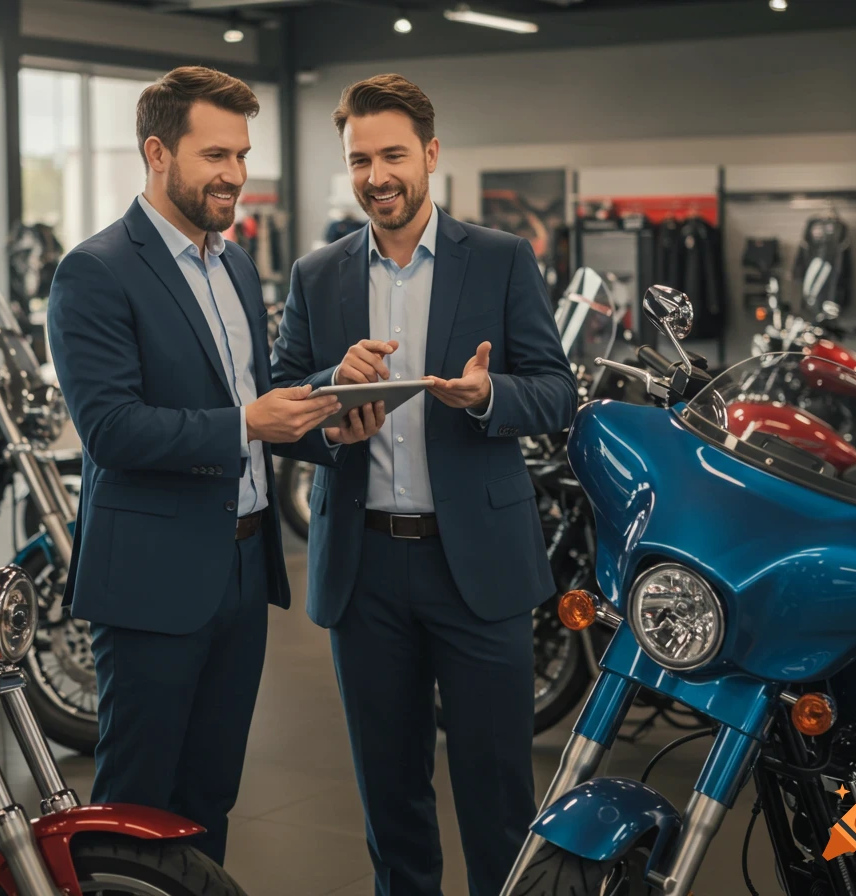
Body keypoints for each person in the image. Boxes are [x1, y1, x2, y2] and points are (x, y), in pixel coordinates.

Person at [270, 74, 577, 896]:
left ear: (432, 155)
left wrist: (488, 399)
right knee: (390, 802)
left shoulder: (504, 260)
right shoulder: (316, 273)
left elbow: (556, 389)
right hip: (364, 571)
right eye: (361, 158)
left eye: (394, 154)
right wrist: (334, 402)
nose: (378, 175)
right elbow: (283, 403)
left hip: (476, 567)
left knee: (498, 797)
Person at [46, 66, 341, 866]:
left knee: (212, 795)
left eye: (242, 155)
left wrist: (333, 401)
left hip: (242, 568)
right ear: (156, 152)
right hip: (151, 581)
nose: (236, 176)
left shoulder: (236, 264)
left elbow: (256, 397)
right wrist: (250, 420)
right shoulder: (96, 271)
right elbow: (112, 430)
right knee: (136, 803)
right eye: (216, 155)